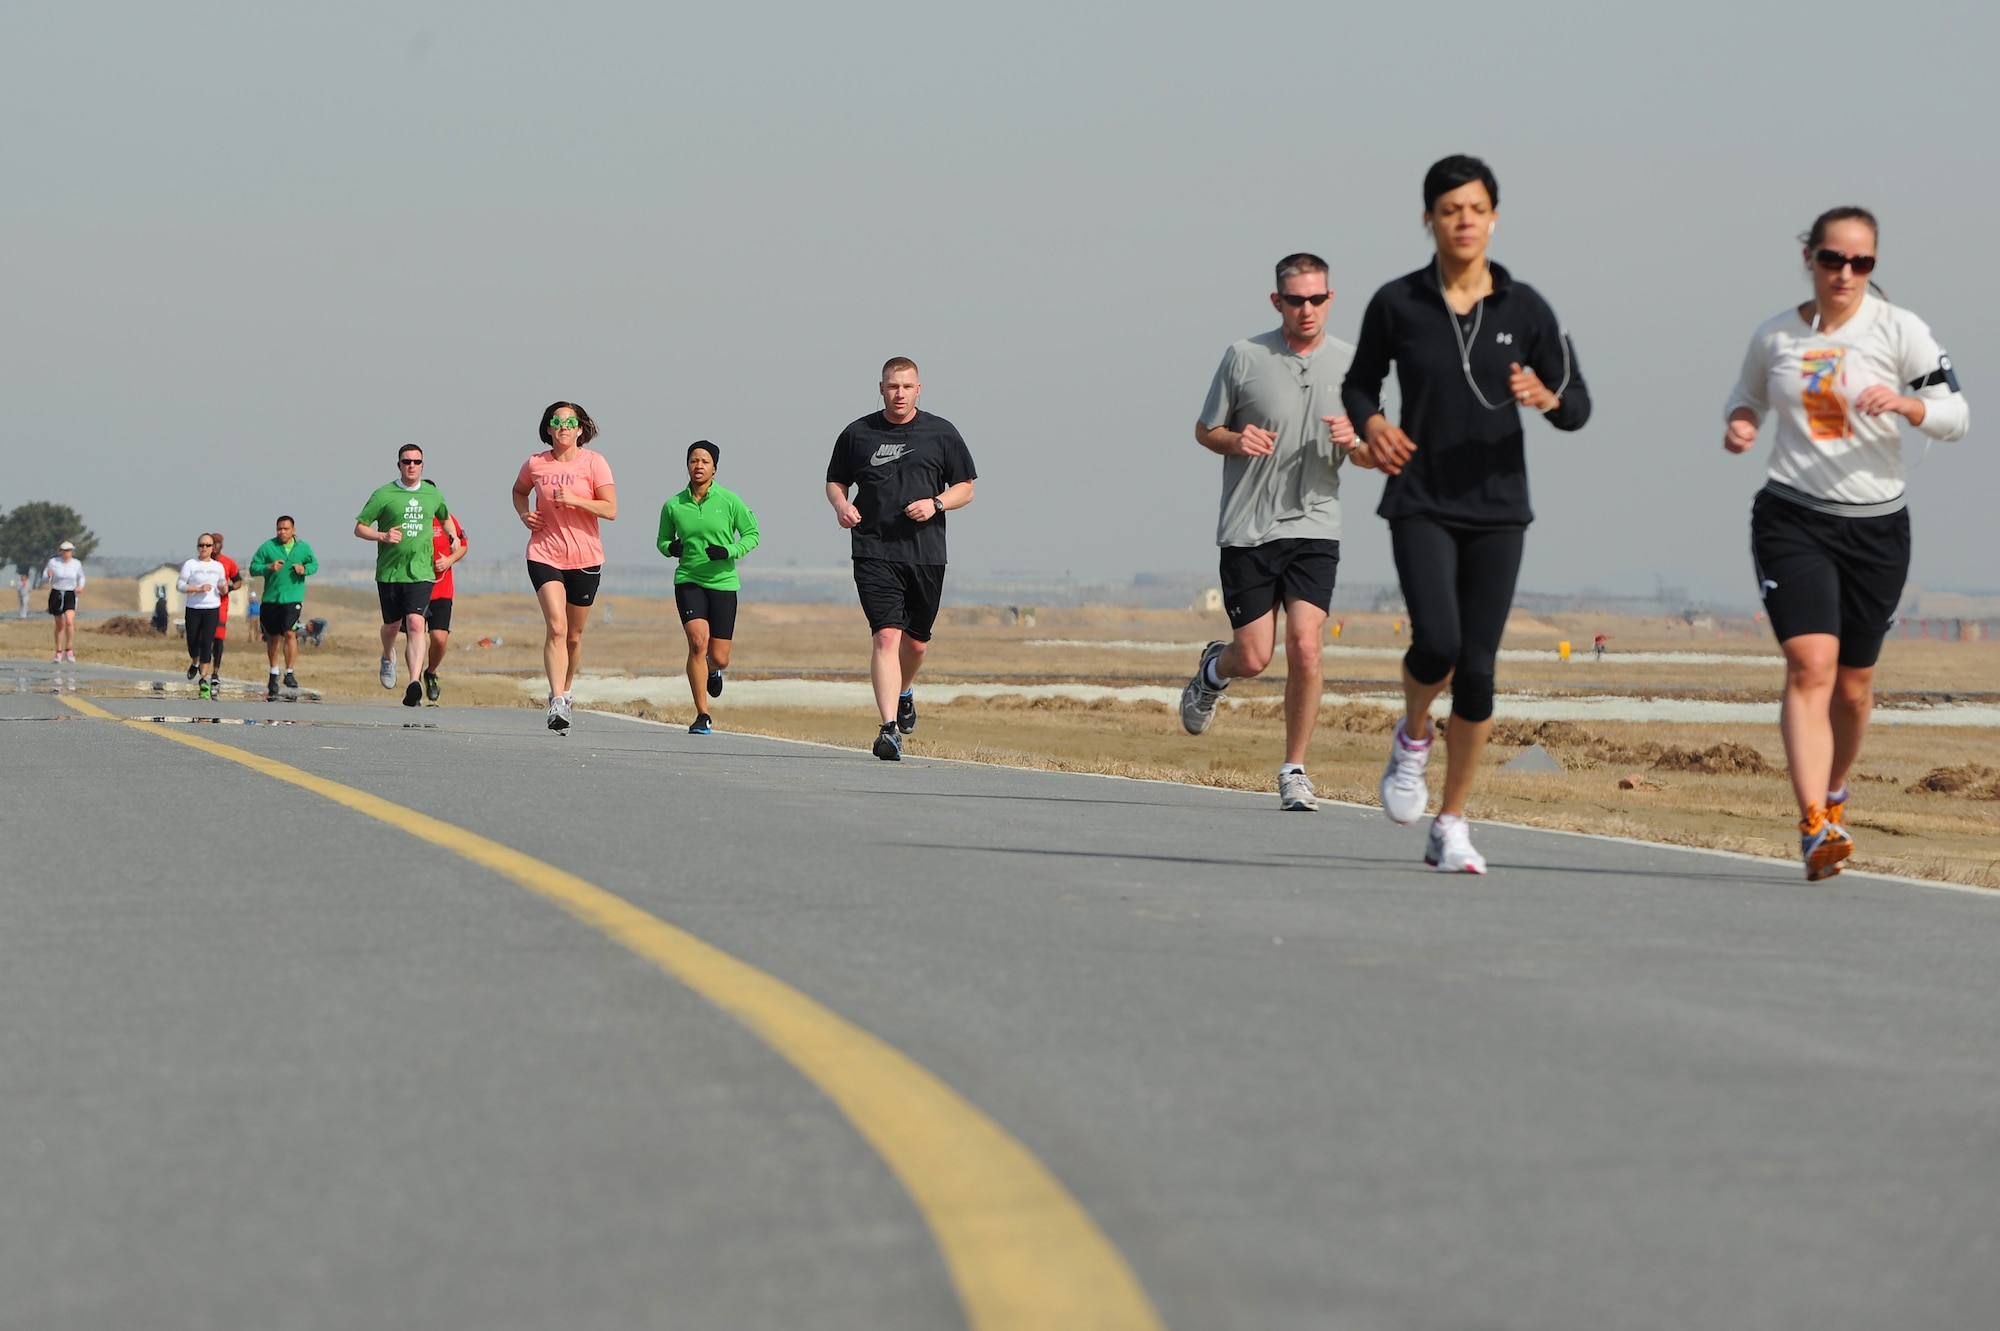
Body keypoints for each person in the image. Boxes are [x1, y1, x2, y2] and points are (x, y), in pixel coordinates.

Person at [1340, 155, 1592, 874]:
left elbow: (1577, 405)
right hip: (1420, 498)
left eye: (1476, 209)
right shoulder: (1397, 302)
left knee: (1478, 672)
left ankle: (1451, 821)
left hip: (1499, 507)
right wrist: (1374, 424)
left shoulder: (1526, 308)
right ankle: (1413, 736)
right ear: (1429, 219)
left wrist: (1547, 398)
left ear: (1494, 219)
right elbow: (1358, 384)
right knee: (1438, 645)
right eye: (1450, 209)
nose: (1464, 221)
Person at [1723, 206, 1969, 881]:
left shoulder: (1899, 330)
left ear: (1873, 266)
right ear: (1809, 257)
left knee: (1854, 688)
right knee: (1811, 666)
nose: (1845, 272)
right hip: (1793, 518)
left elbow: (1957, 414)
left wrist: (1910, 405)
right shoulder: (1775, 334)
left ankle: (1834, 791)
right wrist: (1741, 424)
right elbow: (1744, 397)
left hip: (1876, 526)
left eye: (1862, 262)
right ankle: (1812, 824)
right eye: (1833, 258)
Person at [1179, 252, 1358, 811]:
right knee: (1255, 658)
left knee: (1305, 647)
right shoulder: (1244, 356)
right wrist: (1236, 440)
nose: (1308, 309)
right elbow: (1205, 430)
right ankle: (1214, 670)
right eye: (1296, 299)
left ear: (1330, 299)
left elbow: (1375, 453)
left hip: (1315, 525)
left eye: (1317, 298)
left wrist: (1357, 441)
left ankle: (1294, 770)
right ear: (1277, 301)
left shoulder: (1353, 364)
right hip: (1248, 529)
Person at [825, 357, 977, 761]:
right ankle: (889, 729)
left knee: (917, 644)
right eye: (892, 386)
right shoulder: (857, 433)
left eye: (907, 387)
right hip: (873, 549)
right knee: (886, 636)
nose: (899, 394)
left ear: (918, 389)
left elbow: (966, 487)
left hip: (926, 553)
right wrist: (841, 506)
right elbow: (836, 480)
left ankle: (905, 690)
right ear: (881, 388)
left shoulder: (941, 433)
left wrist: (936, 503)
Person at [512, 402, 617, 732]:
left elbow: (611, 509)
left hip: (585, 558)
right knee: (556, 628)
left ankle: (566, 690)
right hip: (544, 554)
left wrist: (575, 499)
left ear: (580, 429)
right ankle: (556, 700)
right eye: (557, 422)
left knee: (573, 636)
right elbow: (519, 491)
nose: (563, 428)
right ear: (548, 429)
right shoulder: (535, 463)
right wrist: (525, 514)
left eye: (570, 423)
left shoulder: (595, 463)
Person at [658, 440, 760, 734]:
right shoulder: (673, 505)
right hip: (688, 580)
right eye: (694, 460)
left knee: (719, 657)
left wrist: (729, 551)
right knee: (697, 642)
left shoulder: (729, 501)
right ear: (687, 465)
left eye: (705, 461)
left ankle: (713, 670)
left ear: (714, 468)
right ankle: (702, 714)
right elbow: (662, 540)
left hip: (723, 583)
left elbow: (752, 534)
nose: (698, 466)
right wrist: (671, 548)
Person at [354, 444, 452, 707]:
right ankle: (388, 655)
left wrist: (452, 537)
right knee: (392, 627)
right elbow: (360, 528)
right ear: (399, 465)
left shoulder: (432, 494)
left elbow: (445, 518)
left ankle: (414, 681)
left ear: (422, 465)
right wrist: (382, 536)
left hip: (421, 572)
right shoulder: (383, 494)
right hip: (390, 572)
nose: (411, 466)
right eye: (406, 461)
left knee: (417, 623)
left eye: (416, 462)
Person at [249, 515, 318, 699]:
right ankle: (274, 673)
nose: (282, 532)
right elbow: (253, 568)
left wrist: (305, 570)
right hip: (271, 599)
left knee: (289, 632)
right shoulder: (268, 547)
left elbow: (314, 564)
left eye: (286, 529)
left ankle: (289, 672)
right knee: (273, 636)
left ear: (293, 530)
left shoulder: (303, 548)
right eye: (279, 528)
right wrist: (268, 567)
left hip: (293, 598)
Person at [420, 508, 468, 703]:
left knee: (439, 638)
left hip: (442, 590)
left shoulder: (446, 519)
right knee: (415, 636)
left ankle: (431, 672)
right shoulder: (412, 518)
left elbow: (463, 545)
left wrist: (449, 560)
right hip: (416, 588)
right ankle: (414, 682)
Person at [176, 535, 229, 699]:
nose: (204, 548)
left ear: (213, 548)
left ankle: (203, 679)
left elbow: (224, 587)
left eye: (208, 545)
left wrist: (223, 588)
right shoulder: (191, 564)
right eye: (201, 545)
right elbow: (180, 585)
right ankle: (195, 662)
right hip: (194, 608)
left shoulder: (218, 567)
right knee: (192, 642)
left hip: (212, 608)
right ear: (198, 547)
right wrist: (198, 589)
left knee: (207, 642)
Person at [43, 540, 86, 663]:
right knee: (59, 625)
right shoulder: (53, 562)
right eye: (65, 551)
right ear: (60, 551)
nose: (67, 553)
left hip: (70, 593)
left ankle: (69, 649)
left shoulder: (76, 563)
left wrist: (80, 586)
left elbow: (81, 576)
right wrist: (49, 575)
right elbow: (44, 578)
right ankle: (58, 652)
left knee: (69, 621)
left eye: (69, 551)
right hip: (56, 592)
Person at [208, 532, 243, 679]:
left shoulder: (228, 563)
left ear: (222, 545)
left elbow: (238, 581)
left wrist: (230, 588)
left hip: (221, 605)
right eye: (212, 543)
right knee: (203, 638)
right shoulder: (202, 562)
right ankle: (201, 665)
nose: (214, 546)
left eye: (217, 543)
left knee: (218, 638)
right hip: (203, 605)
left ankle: (215, 671)